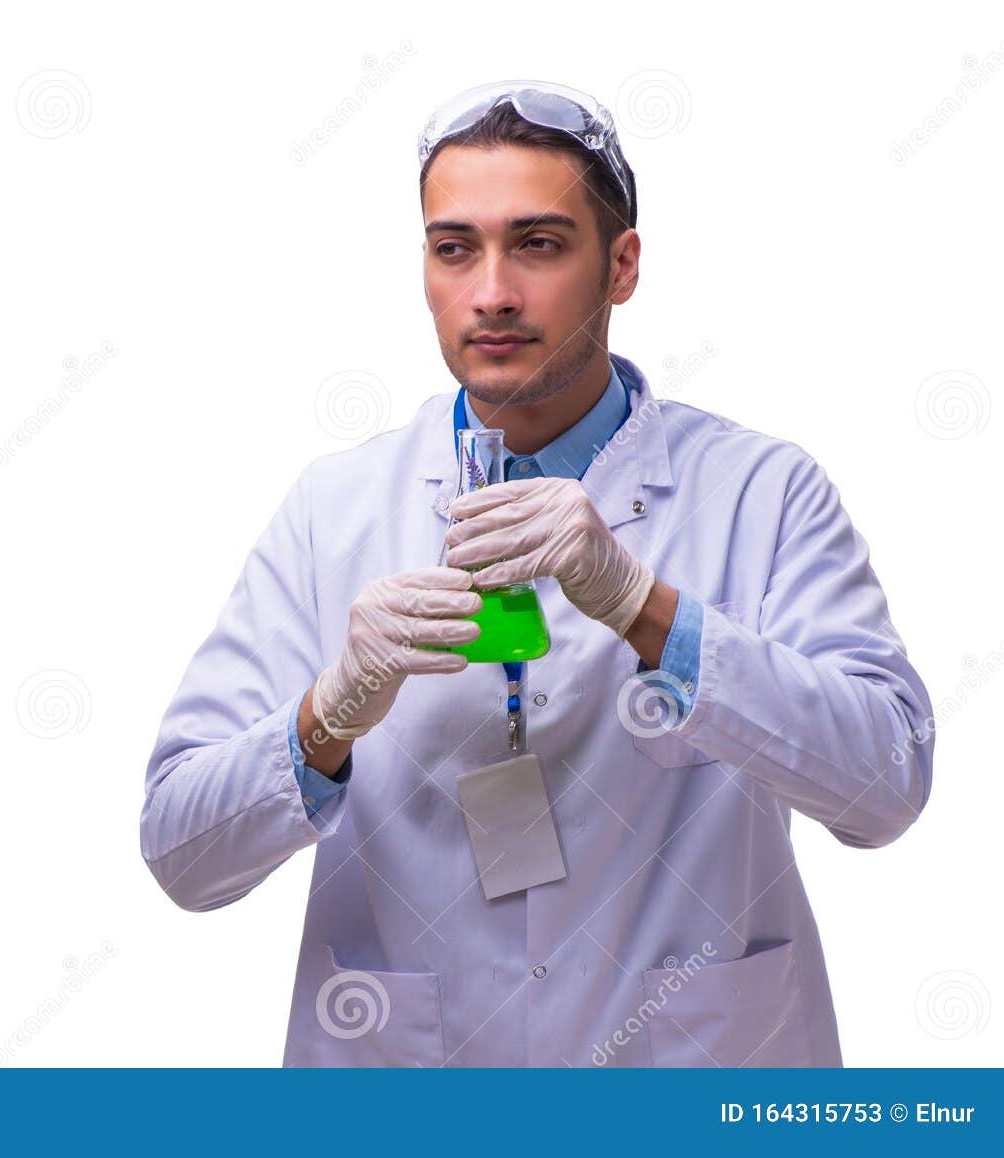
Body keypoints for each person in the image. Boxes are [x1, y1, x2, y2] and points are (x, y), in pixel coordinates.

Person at [139, 81, 934, 1067]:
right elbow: (181, 855)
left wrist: (644, 608)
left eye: (540, 243)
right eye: (454, 247)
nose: (492, 294)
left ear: (622, 265)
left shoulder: (761, 492)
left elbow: (885, 789)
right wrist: (329, 714)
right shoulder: (334, 505)